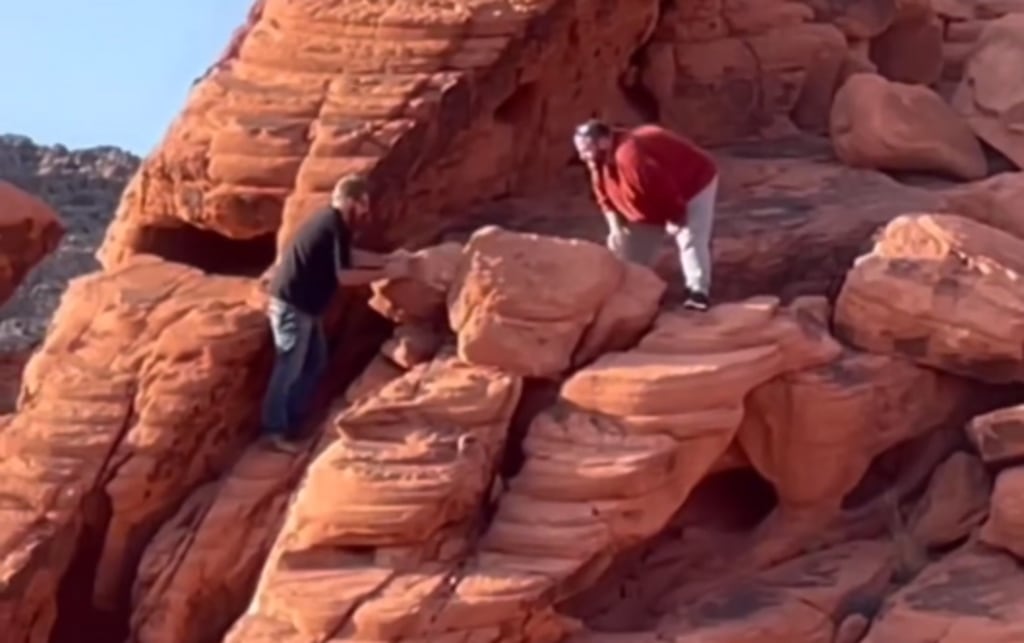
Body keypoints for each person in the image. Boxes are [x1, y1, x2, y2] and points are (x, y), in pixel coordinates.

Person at [260, 174, 409, 452]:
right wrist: (388, 272)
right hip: (293, 306)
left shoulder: (334, 223)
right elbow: (345, 275)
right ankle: (275, 430)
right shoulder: (332, 223)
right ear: (352, 201)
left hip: (306, 306)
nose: (365, 212)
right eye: (363, 204)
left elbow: (349, 256)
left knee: (314, 363)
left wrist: (386, 260)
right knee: (289, 366)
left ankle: (293, 423)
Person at [573, 119, 719, 311]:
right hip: (647, 203)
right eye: (580, 150)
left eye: (586, 149)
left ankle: (698, 293)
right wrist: (615, 229)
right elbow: (603, 196)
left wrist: (675, 217)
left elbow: (664, 191)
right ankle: (630, 295)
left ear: (604, 142)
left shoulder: (631, 158)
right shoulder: (596, 159)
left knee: (690, 237)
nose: (582, 156)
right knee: (630, 253)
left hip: (692, 183)